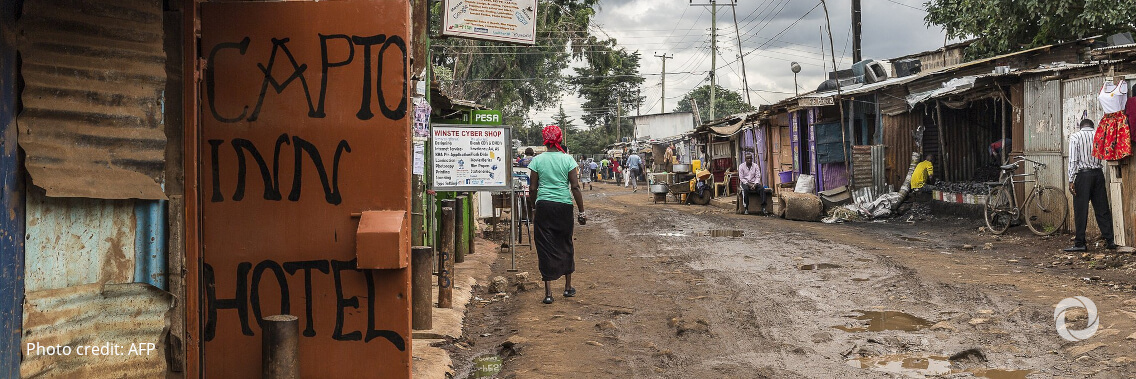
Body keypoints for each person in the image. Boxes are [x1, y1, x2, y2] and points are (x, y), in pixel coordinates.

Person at [527, 125, 587, 304]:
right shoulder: (568, 159)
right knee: (565, 242)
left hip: (544, 206)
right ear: (560, 139)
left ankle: (548, 293)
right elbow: (575, 187)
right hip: (564, 206)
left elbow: (532, 188)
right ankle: (568, 287)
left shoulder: (537, 160)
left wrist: (534, 208)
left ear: (545, 141)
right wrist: (582, 211)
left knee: (544, 246)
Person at [1064, 118, 1117, 252]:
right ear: (1092, 126)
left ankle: (1080, 243)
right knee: (1102, 208)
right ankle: (1110, 240)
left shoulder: (1076, 137)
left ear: (1081, 127)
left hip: (1083, 176)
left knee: (1081, 210)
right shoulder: (1099, 135)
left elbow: (1073, 160)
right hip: (1098, 174)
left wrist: (1071, 179)